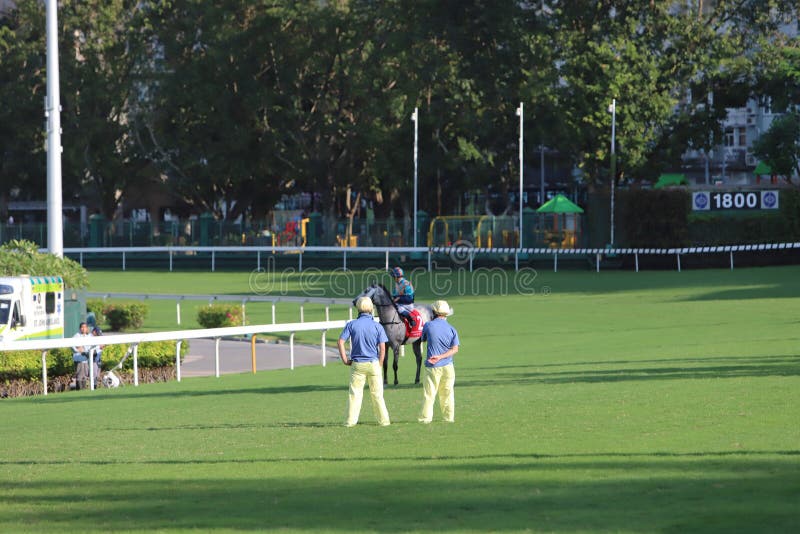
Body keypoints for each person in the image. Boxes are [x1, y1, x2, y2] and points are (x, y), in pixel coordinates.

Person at [337, 296, 391, 427]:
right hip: (373, 364)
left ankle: (350, 422)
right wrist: (380, 363)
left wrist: (345, 359)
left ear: (358, 308)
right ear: (371, 308)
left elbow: (340, 341)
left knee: (355, 394)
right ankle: (384, 421)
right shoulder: (377, 326)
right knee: (377, 395)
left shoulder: (352, 324)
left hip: (357, 364)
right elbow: (382, 348)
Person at [418, 300, 460, 424]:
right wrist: (442, 357)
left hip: (433, 365)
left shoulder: (428, 325)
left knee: (429, 394)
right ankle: (449, 418)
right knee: (447, 393)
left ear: (434, 312)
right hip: (448, 366)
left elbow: (423, 339)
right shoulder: (452, 329)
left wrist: (437, 357)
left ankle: (425, 419)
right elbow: (455, 349)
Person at [72, 322, 99, 390]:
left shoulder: (89, 336)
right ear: (80, 328)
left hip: (86, 359)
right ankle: (79, 390)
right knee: (80, 375)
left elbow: (95, 345)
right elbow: (71, 344)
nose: (83, 329)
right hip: (79, 358)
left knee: (85, 375)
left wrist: (88, 350)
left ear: (87, 328)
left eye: (85, 327)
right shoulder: (77, 336)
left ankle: (83, 390)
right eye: (82, 327)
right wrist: (77, 350)